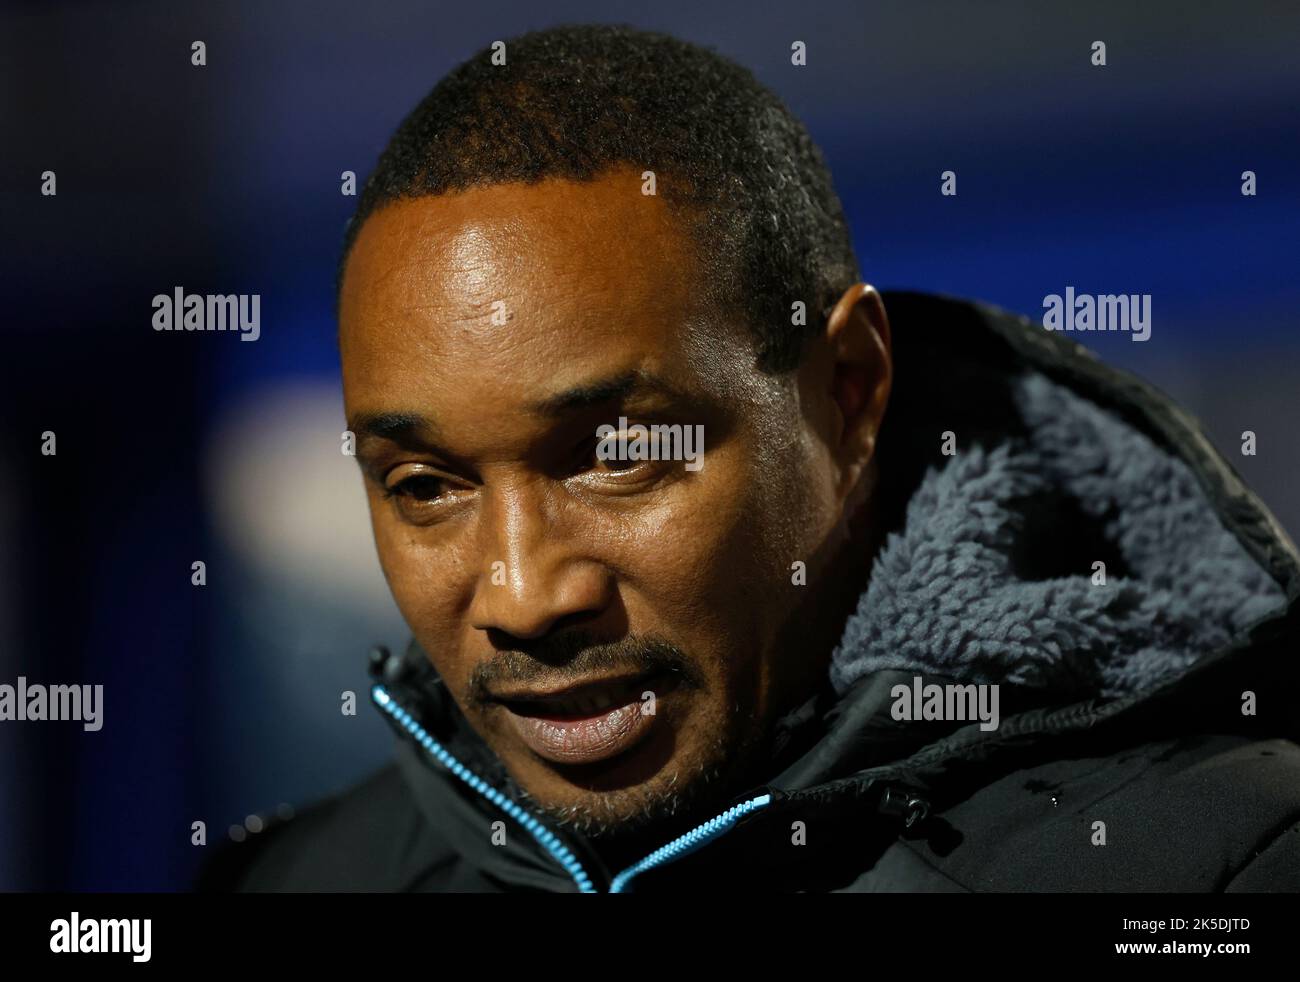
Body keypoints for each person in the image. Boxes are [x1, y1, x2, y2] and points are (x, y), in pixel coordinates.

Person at [199, 24, 1300, 893]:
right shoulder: (299, 879)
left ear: (850, 392)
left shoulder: (1226, 866)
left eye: (619, 453)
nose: (525, 596)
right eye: (425, 486)